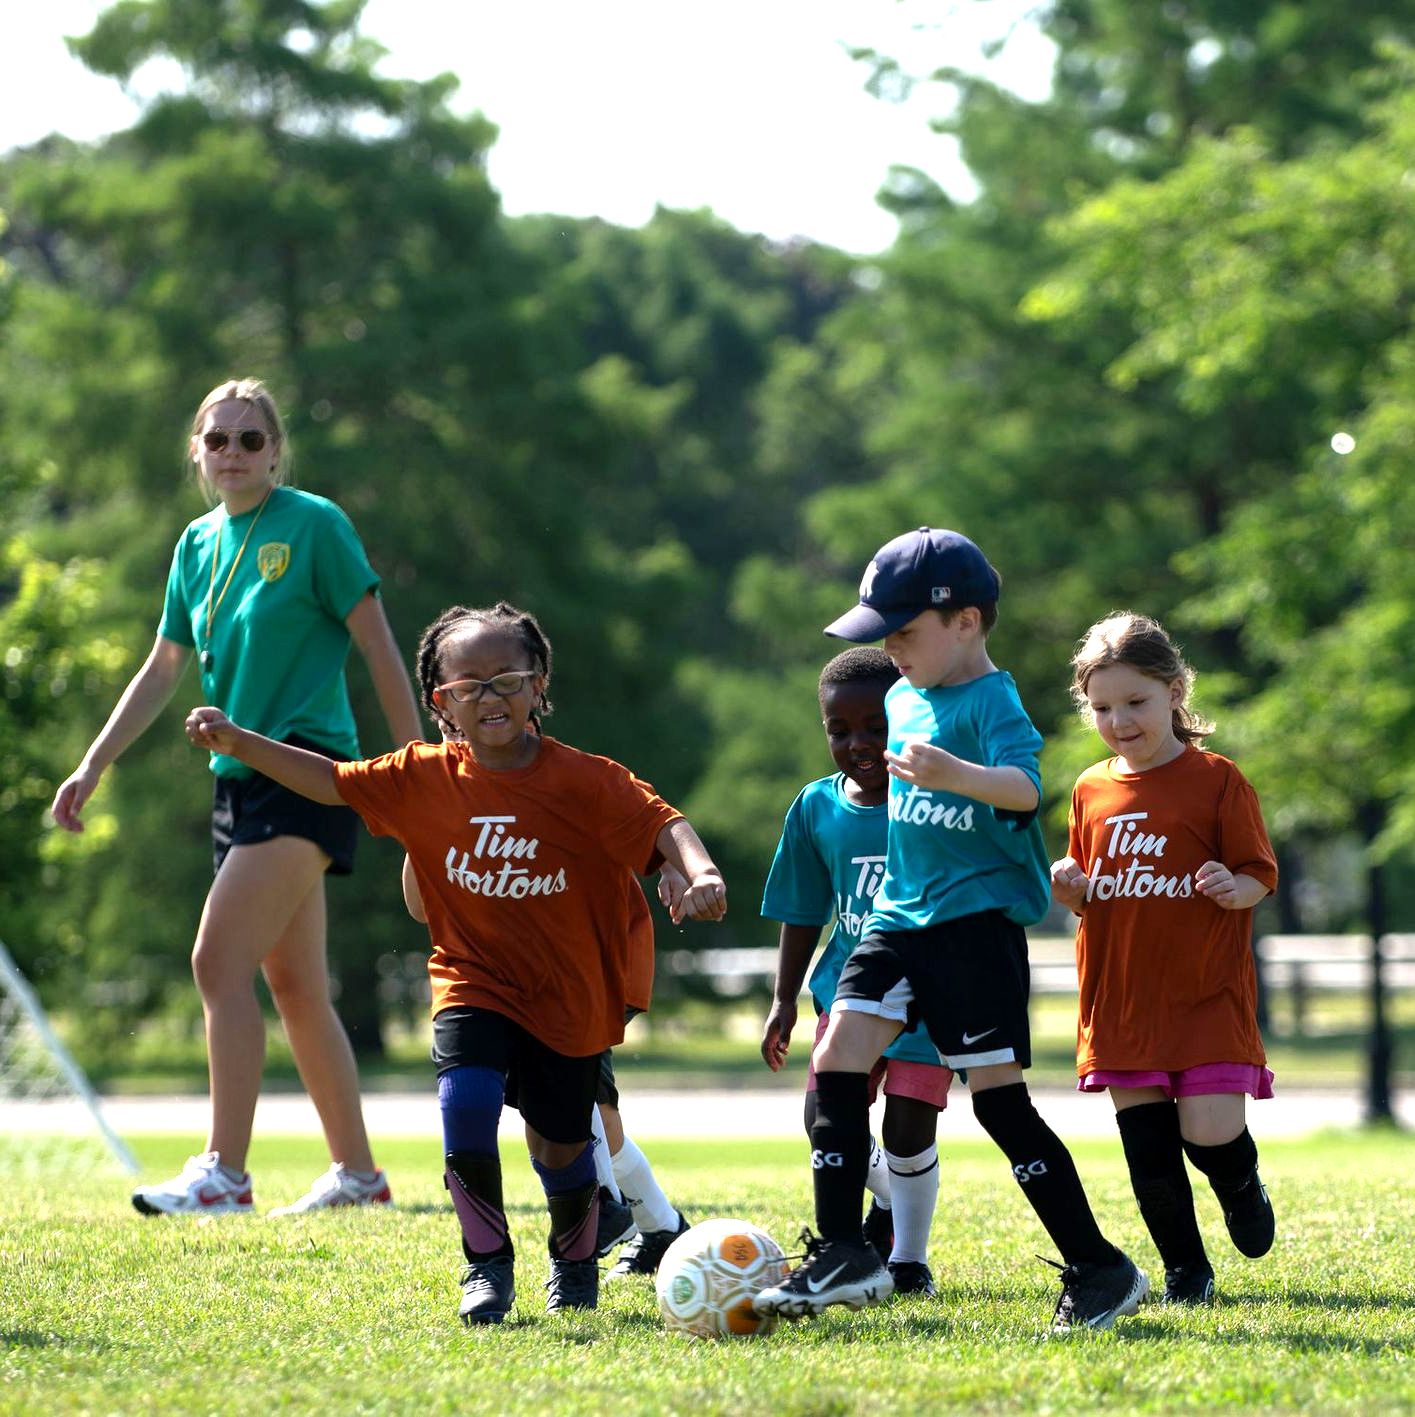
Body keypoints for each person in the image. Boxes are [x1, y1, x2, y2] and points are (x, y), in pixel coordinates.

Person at [183, 600, 726, 1324]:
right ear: (440, 703)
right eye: (466, 685)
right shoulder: (422, 776)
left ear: (539, 686)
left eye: (506, 678)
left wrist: (701, 871)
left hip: (567, 994)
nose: (488, 696)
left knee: (562, 1147)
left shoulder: (584, 779)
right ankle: (487, 1268)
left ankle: (572, 1267)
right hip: (472, 979)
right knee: (462, 1105)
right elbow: (332, 779)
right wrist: (241, 741)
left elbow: (664, 822)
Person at [753, 527, 1147, 1333]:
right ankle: (843, 1250)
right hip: (898, 918)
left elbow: (1019, 788)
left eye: (903, 633)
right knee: (836, 1056)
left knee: (999, 1107)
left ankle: (1099, 1265)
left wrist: (951, 773)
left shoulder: (989, 700)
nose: (891, 650)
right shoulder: (898, 697)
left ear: (964, 621)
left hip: (973, 926)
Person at [51, 377, 421, 1217]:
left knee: (215, 961)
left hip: (310, 769)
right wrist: (94, 762)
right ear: (197, 450)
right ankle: (359, 1178)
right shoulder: (195, 544)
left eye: (251, 439)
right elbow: (163, 669)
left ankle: (225, 1172)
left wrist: (415, 768)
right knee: (293, 985)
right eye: (217, 439)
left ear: (277, 450)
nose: (234, 453)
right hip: (238, 784)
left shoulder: (316, 524)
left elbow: (379, 645)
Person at [1050, 611, 1278, 1305]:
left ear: (1175, 690)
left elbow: (1257, 875)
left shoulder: (1217, 780)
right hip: (1121, 998)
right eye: (1102, 707)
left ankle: (1239, 1181)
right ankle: (1188, 1273)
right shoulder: (1090, 788)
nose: (1119, 720)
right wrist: (1069, 888)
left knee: (1207, 1130)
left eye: (1135, 702)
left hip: (1204, 993)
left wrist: (1228, 885)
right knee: (1146, 1150)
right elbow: (1091, 891)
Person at [760, 646, 952, 1297]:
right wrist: (783, 999)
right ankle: (884, 1214)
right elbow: (799, 909)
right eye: (839, 730)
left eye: (876, 726)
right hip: (845, 991)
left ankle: (908, 1260)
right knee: (823, 1117)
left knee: (905, 1130)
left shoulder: (935, 801)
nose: (858, 743)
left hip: (928, 992)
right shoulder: (815, 807)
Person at [401, 853, 691, 1279]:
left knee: (560, 1088)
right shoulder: (456, 792)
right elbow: (421, 905)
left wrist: (672, 865)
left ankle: (604, 1202)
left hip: (586, 961)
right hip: (516, 974)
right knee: (598, 1117)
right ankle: (660, 1225)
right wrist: (420, 820)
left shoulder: (573, 783)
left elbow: (641, 813)